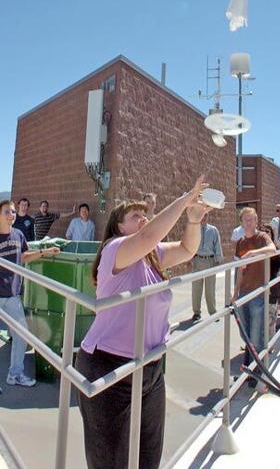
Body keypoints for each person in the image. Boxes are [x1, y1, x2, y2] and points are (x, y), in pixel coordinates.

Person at [76, 175, 212, 469]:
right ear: (118, 227)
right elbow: (149, 236)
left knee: (148, 455)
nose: (143, 219)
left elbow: (188, 250)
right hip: (109, 367)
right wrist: (186, 196)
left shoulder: (151, 255)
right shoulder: (115, 248)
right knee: (111, 461)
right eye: (135, 216)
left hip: (149, 366)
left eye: (145, 214)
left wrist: (193, 220)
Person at [0, 200, 60, 390]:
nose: (12, 215)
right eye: (7, 212)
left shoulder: (18, 235)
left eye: (12, 212)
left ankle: (15, 374)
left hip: (12, 295)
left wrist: (45, 252)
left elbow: (24, 256)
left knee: (22, 333)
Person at [232, 207, 275, 387]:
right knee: (245, 333)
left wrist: (253, 254)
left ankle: (254, 372)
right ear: (241, 222)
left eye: (252, 219)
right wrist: (234, 293)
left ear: (256, 221)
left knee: (255, 335)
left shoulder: (262, 237)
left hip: (258, 293)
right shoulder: (240, 242)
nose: (249, 223)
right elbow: (239, 270)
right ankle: (249, 370)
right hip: (243, 292)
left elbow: (272, 249)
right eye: (246, 220)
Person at [191, 213, 223, 320]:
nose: (203, 217)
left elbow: (217, 245)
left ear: (208, 216)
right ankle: (196, 312)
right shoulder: (194, 229)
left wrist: (218, 261)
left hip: (210, 260)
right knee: (196, 288)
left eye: (206, 215)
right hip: (197, 260)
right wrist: (188, 259)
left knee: (210, 288)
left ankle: (212, 312)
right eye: (202, 215)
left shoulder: (213, 230)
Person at [260, 224, 280, 342]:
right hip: (257, 289)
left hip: (272, 289)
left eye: (267, 232)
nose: (265, 234)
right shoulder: (255, 250)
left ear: (272, 234)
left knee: (270, 319)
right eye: (262, 232)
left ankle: (269, 345)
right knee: (257, 320)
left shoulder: (277, 251)